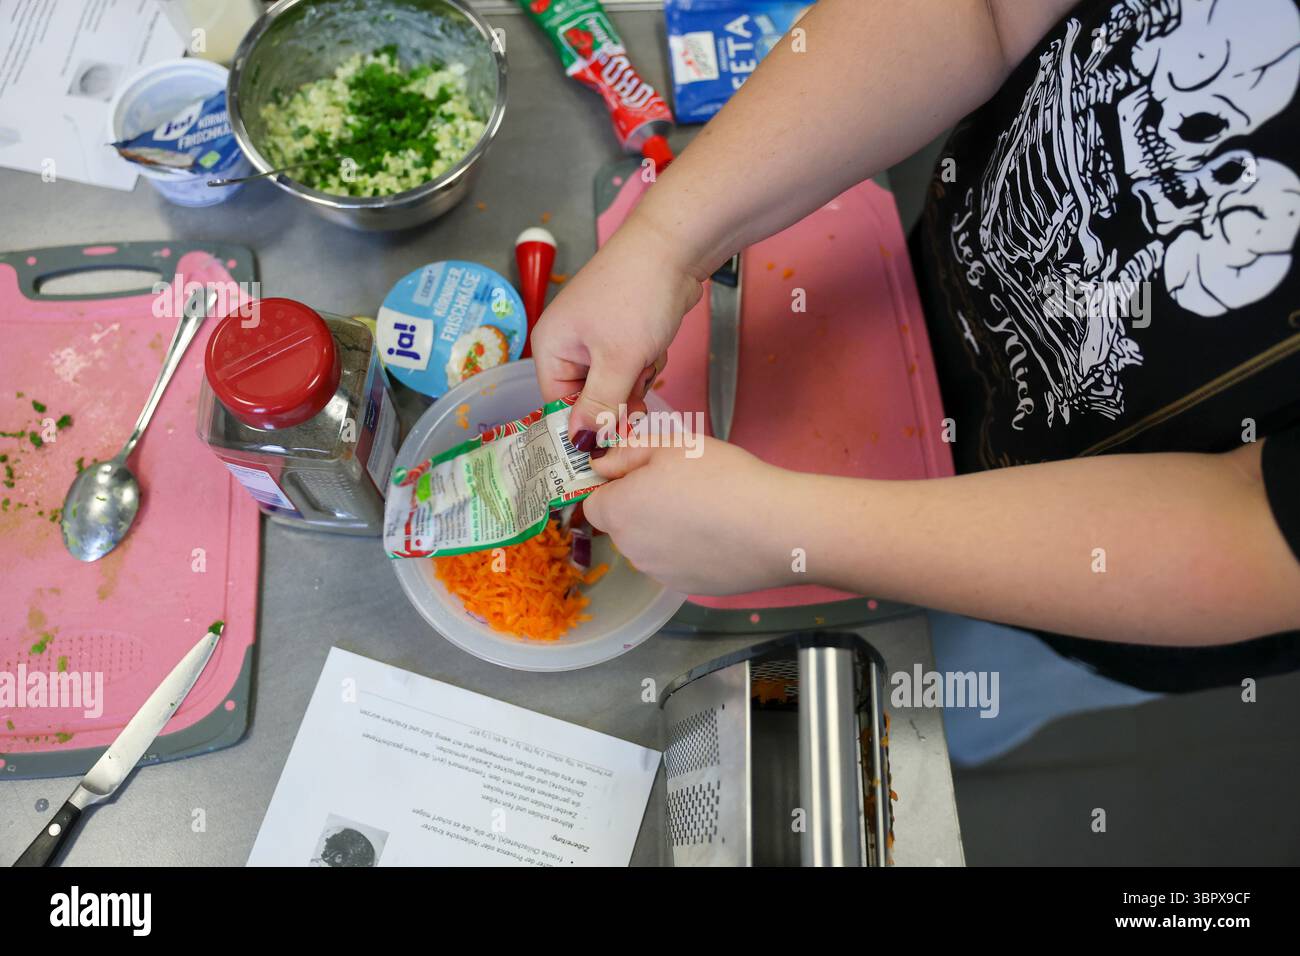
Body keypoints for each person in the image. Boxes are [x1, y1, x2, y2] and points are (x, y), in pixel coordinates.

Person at [531, 0, 1300, 754]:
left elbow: (1256, 524)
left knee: (916, 706)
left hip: (1102, 581)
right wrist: (664, 242)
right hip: (912, 307)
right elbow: (984, 11)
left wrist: (784, 533)